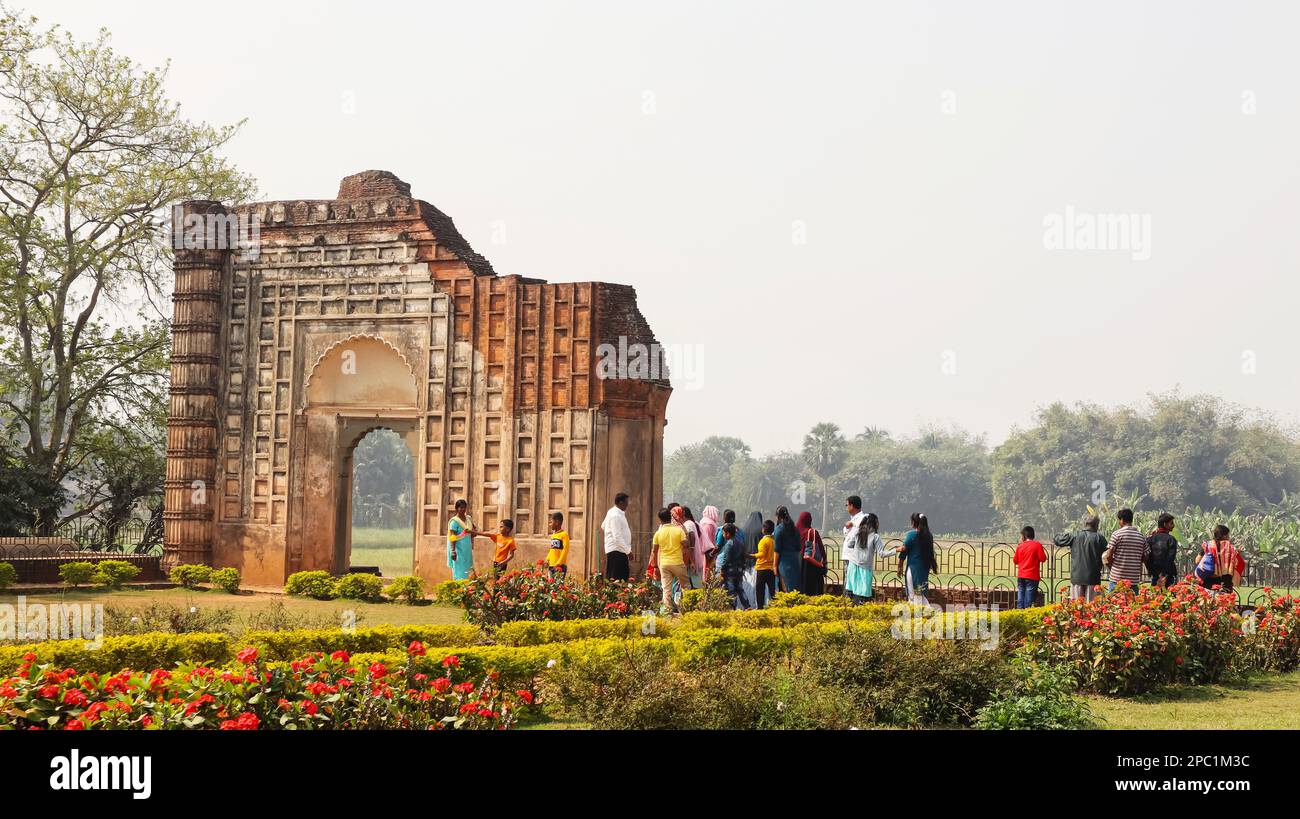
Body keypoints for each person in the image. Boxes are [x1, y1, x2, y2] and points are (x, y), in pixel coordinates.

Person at [1054, 515, 1107, 602]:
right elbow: (1107, 555)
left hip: (1077, 577)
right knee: (1092, 607)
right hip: (1092, 578)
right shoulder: (1100, 538)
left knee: (1076, 607)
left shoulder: (1075, 536)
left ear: (1084, 524)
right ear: (1097, 525)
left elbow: (1057, 540)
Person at [844, 512, 893, 604]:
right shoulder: (875, 536)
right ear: (874, 523)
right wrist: (896, 550)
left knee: (853, 594)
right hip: (865, 568)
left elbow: (850, 545)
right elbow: (882, 554)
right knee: (864, 595)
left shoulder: (857, 533)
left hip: (853, 565)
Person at [649, 507, 691, 615]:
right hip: (678, 563)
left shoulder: (658, 533)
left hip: (664, 564)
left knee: (666, 590)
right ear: (670, 517)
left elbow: (654, 551)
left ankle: (667, 612)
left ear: (660, 519)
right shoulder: (678, 530)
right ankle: (686, 609)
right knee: (686, 586)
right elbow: (686, 543)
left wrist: (655, 567)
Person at [897, 512, 938, 606]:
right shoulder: (929, 535)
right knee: (920, 594)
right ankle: (928, 615)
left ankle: (917, 617)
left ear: (914, 522)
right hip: (924, 570)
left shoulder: (911, 535)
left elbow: (903, 552)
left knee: (913, 596)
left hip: (913, 570)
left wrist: (899, 568)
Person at [1105, 508, 1147, 592]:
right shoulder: (1141, 536)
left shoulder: (1116, 535)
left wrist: (1112, 567)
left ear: (1122, 520)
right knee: (1132, 604)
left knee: (1113, 604)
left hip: (1116, 579)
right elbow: (1145, 556)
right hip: (1133, 580)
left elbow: (1108, 556)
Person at [1198, 524, 1245, 593]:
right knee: (1224, 602)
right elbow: (1240, 563)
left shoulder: (1207, 546)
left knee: (1207, 602)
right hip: (1225, 583)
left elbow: (1197, 560)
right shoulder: (1231, 548)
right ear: (1224, 536)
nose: (1229, 537)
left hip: (1208, 583)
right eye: (1228, 535)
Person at [716, 523, 751, 610]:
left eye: (723, 533)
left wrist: (722, 571)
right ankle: (747, 606)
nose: (723, 535)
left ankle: (732, 608)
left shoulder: (729, 544)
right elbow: (743, 556)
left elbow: (726, 560)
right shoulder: (740, 543)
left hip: (730, 571)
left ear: (728, 533)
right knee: (740, 589)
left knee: (731, 591)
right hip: (739, 570)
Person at [601, 492, 633, 581]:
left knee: (616, 576)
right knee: (618, 578)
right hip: (617, 550)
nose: (627, 505)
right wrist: (628, 551)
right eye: (626, 502)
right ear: (621, 502)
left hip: (617, 549)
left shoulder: (612, 512)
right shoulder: (615, 515)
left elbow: (603, 526)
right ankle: (613, 595)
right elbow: (617, 536)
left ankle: (614, 594)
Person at [1013, 526, 1047, 609]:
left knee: (1020, 598)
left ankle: (1019, 614)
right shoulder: (1037, 545)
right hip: (1032, 576)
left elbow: (1015, 561)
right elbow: (1043, 559)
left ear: (1024, 536)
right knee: (1028, 601)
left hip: (1021, 576)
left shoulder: (1020, 546)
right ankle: (1026, 616)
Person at [841, 495, 867, 599]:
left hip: (854, 557)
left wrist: (851, 526)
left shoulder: (863, 518)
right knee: (849, 582)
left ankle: (853, 604)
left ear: (852, 505)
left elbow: (857, 535)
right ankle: (850, 603)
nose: (846, 507)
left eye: (847, 505)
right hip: (849, 556)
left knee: (852, 583)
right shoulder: (853, 519)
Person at [796, 510, 826, 596]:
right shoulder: (811, 532)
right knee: (813, 591)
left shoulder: (795, 533)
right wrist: (821, 564)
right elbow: (810, 554)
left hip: (798, 565)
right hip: (811, 566)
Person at [772, 506, 802, 594]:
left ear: (778, 516)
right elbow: (799, 549)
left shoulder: (779, 529)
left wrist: (774, 566)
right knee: (795, 589)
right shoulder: (795, 529)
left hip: (784, 563)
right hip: (794, 562)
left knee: (786, 589)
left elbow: (777, 550)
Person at [1145, 513, 1179, 589]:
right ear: (1165, 524)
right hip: (1169, 575)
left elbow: (1147, 558)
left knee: (1155, 598)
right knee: (1171, 599)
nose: (1173, 526)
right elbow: (1170, 558)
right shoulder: (1171, 539)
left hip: (1155, 575)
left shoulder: (1149, 539)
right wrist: (1164, 575)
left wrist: (1156, 573)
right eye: (1171, 523)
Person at [446, 499, 475, 580]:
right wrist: (453, 551)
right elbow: (452, 537)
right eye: (461, 507)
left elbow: (473, 530)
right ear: (456, 509)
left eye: (464, 507)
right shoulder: (454, 522)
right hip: (458, 549)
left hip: (467, 549)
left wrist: (473, 533)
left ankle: (468, 589)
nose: (463, 509)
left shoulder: (468, 519)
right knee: (459, 569)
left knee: (468, 568)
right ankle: (459, 588)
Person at [752, 520, 777, 608]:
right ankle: (776, 607)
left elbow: (762, 554)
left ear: (763, 529)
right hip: (771, 569)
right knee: (772, 591)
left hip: (762, 569)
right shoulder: (773, 541)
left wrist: (751, 555)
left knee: (760, 591)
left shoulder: (763, 541)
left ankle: (760, 608)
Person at [741, 511, 764, 604]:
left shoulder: (743, 529)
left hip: (746, 562)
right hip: (758, 562)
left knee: (747, 585)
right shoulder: (761, 529)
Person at [682, 506, 706, 589]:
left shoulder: (687, 524)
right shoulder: (691, 523)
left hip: (690, 558)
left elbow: (692, 537)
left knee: (692, 584)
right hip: (691, 557)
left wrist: (691, 558)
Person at [698, 506, 721, 578]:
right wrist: (712, 552)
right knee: (708, 570)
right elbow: (707, 539)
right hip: (708, 551)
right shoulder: (708, 524)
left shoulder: (705, 522)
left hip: (707, 550)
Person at [546, 512, 570, 578]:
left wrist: (559, 563)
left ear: (557, 522)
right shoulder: (553, 535)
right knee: (550, 586)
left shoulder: (564, 535)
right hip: (551, 566)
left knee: (558, 587)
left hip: (560, 567)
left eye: (551, 522)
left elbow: (565, 550)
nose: (550, 524)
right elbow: (552, 550)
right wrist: (547, 559)